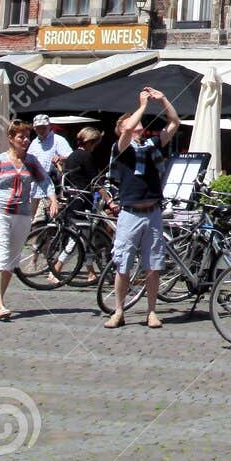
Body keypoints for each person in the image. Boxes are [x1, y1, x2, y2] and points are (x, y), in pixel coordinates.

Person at [105, 88, 179, 329]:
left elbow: (175, 122)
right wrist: (143, 107)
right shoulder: (122, 148)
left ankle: (151, 311)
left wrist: (163, 99)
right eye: (132, 121)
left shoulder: (152, 145)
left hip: (153, 212)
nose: (137, 124)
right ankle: (118, 311)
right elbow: (127, 129)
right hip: (130, 213)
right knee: (123, 265)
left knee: (153, 266)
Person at [0, 122, 52, 321]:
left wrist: (52, 199)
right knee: (0, 251)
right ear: (11, 138)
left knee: (12, 258)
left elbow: (45, 180)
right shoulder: (0, 161)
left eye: (28, 137)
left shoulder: (32, 161)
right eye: (21, 137)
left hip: (23, 214)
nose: (26, 141)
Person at [61, 127, 106, 192]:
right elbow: (95, 182)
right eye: (95, 144)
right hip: (83, 196)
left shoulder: (72, 155)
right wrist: (109, 200)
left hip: (71, 194)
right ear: (89, 142)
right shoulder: (86, 156)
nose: (95, 147)